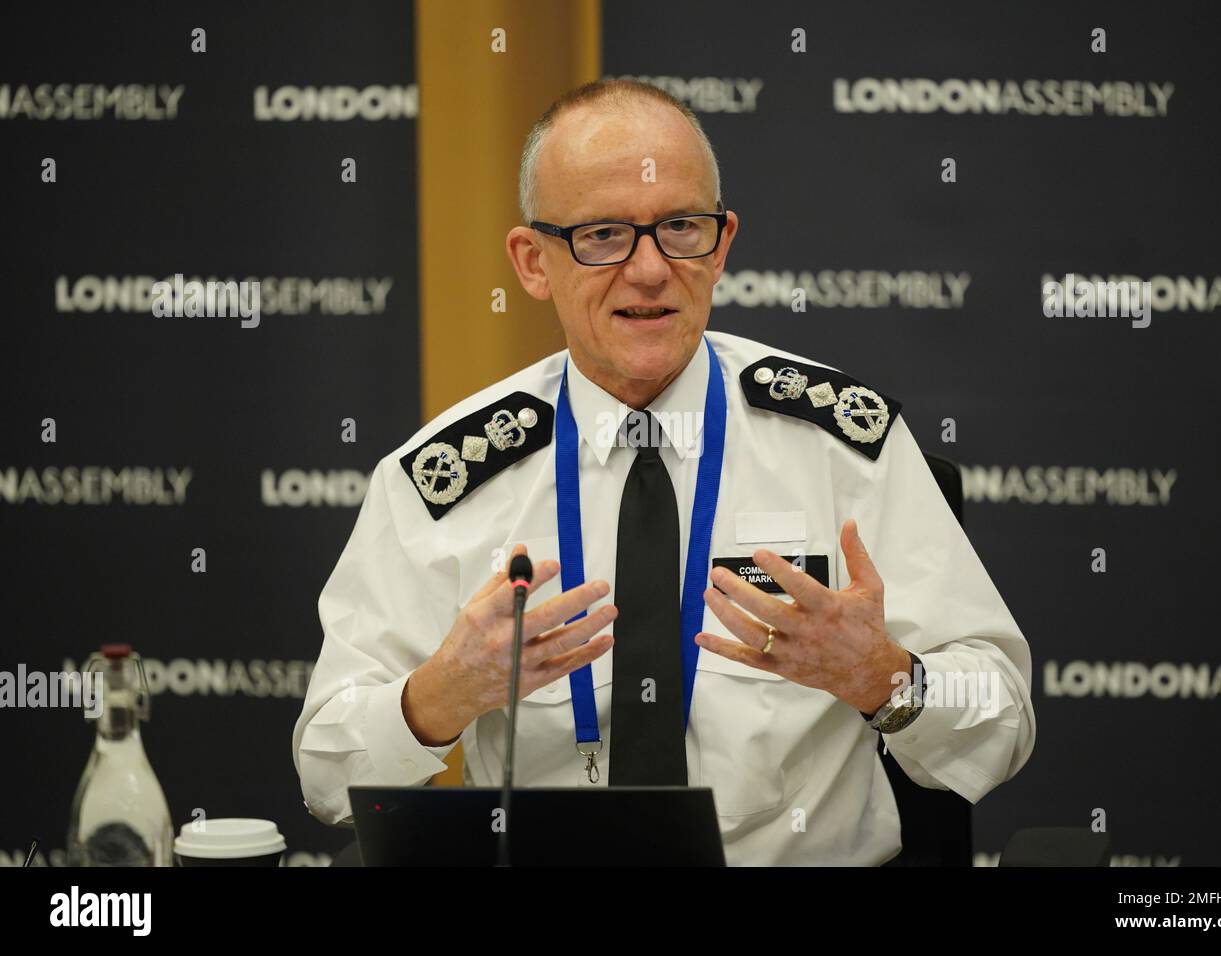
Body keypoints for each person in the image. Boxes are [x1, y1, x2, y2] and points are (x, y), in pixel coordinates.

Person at [292, 78, 1035, 866]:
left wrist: (883, 678)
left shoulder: (843, 443)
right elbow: (326, 776)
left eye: (682, 228)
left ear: (723, 245)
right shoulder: (446, 479)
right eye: (604, 235)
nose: (649, 271)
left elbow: (1003, 719)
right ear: (532, 261)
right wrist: (443, 694)